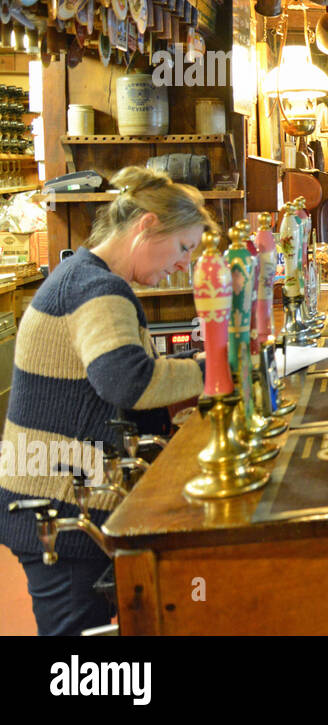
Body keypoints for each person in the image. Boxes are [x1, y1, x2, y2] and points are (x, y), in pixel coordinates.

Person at [0, 166, 216, 635]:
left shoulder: (84, 276)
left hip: (58, 498)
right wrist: (214, 368)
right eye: (183, 247)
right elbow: (127, 382)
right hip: (58, 507)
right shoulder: (97, 288)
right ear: (145, 227)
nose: (184, 264)